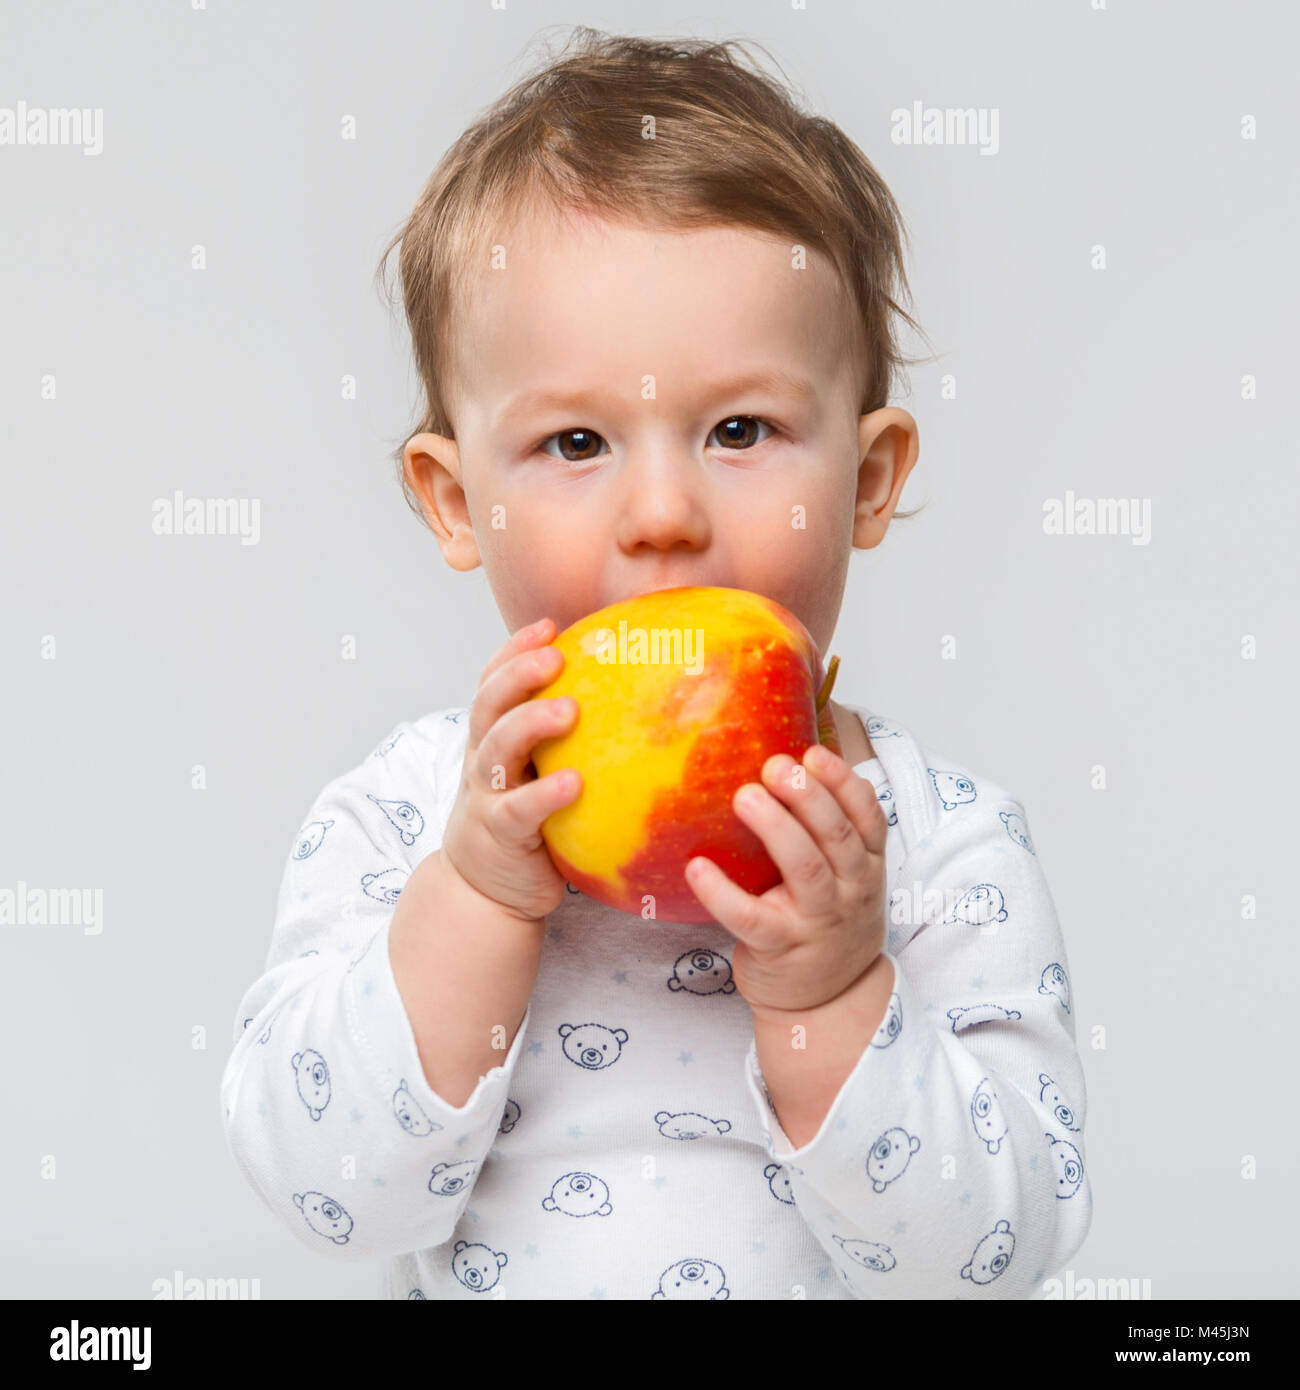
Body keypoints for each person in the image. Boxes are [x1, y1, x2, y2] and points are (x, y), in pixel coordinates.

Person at [221, 28, 1091, 1299]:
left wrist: (835, 992)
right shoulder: (409, 814)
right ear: (455, 501)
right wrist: (474, 901)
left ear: (869, 477)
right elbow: (328, 1196)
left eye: (740, 428)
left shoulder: (938, 844)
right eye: (575, 442)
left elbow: (994, 1257)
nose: (663, 512)